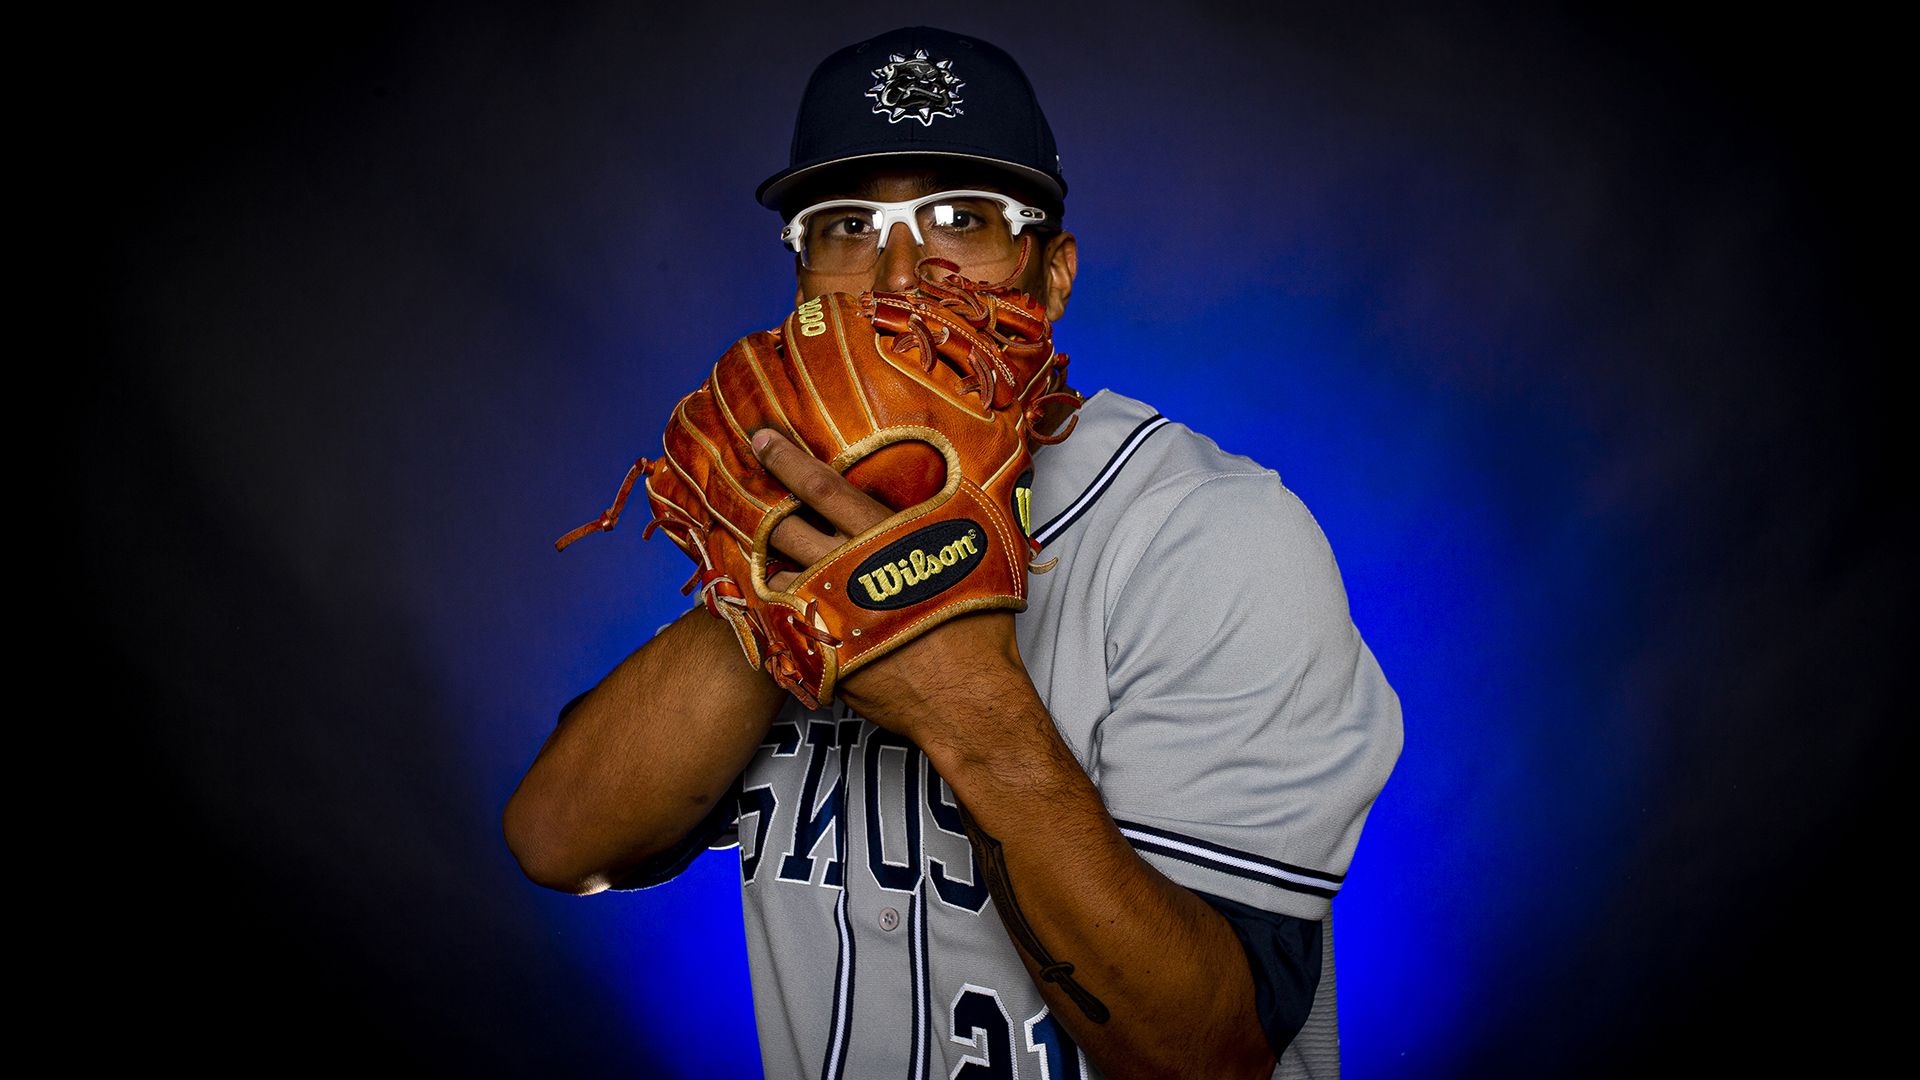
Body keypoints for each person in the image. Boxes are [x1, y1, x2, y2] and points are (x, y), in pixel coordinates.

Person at [504, 26, 1401, 1080]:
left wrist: (966, 705)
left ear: (1053, 274)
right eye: (846, 225)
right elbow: (558, 839)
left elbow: (1211, 1053)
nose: (895, 272)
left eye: (961, 219)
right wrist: (781, 579)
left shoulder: (1213, 535)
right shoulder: (784, 524)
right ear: (801, 277)